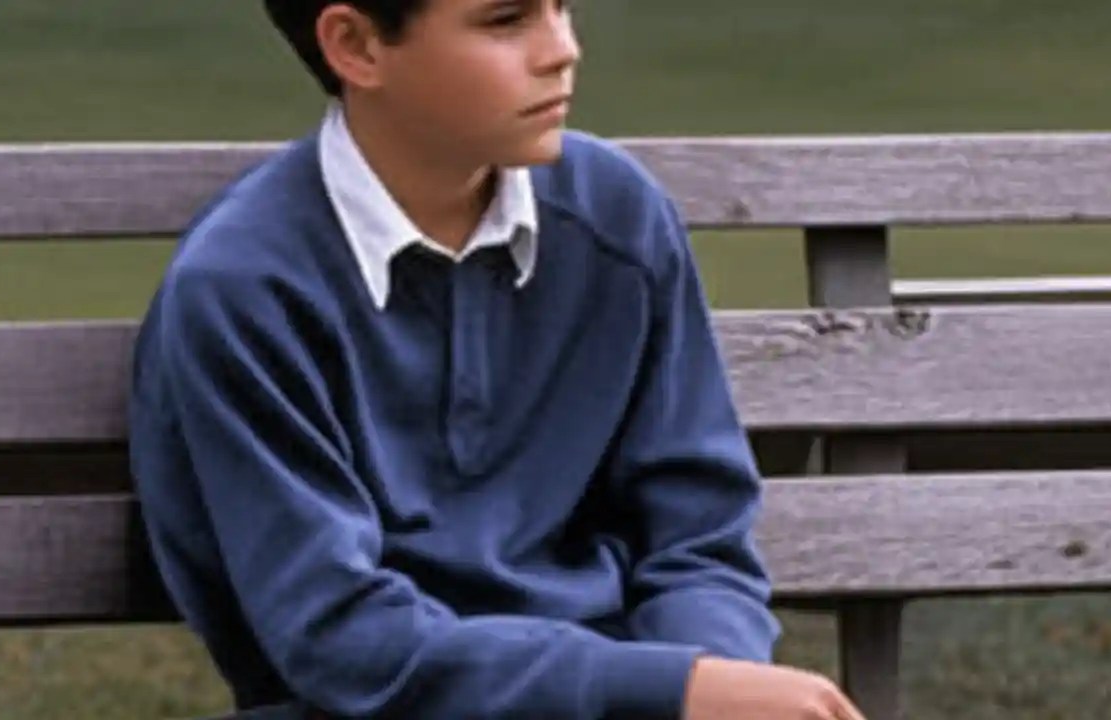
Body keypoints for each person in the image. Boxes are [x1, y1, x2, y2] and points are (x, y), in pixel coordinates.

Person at [128, 1, 867, 718]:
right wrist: (665, 691)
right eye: (506, 20)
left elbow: (695, 535)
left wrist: (709, 680)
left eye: (562, 7)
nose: (562, 49)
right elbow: (339, 638)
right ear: (356, 45)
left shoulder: (617, 219)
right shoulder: (245, 288)